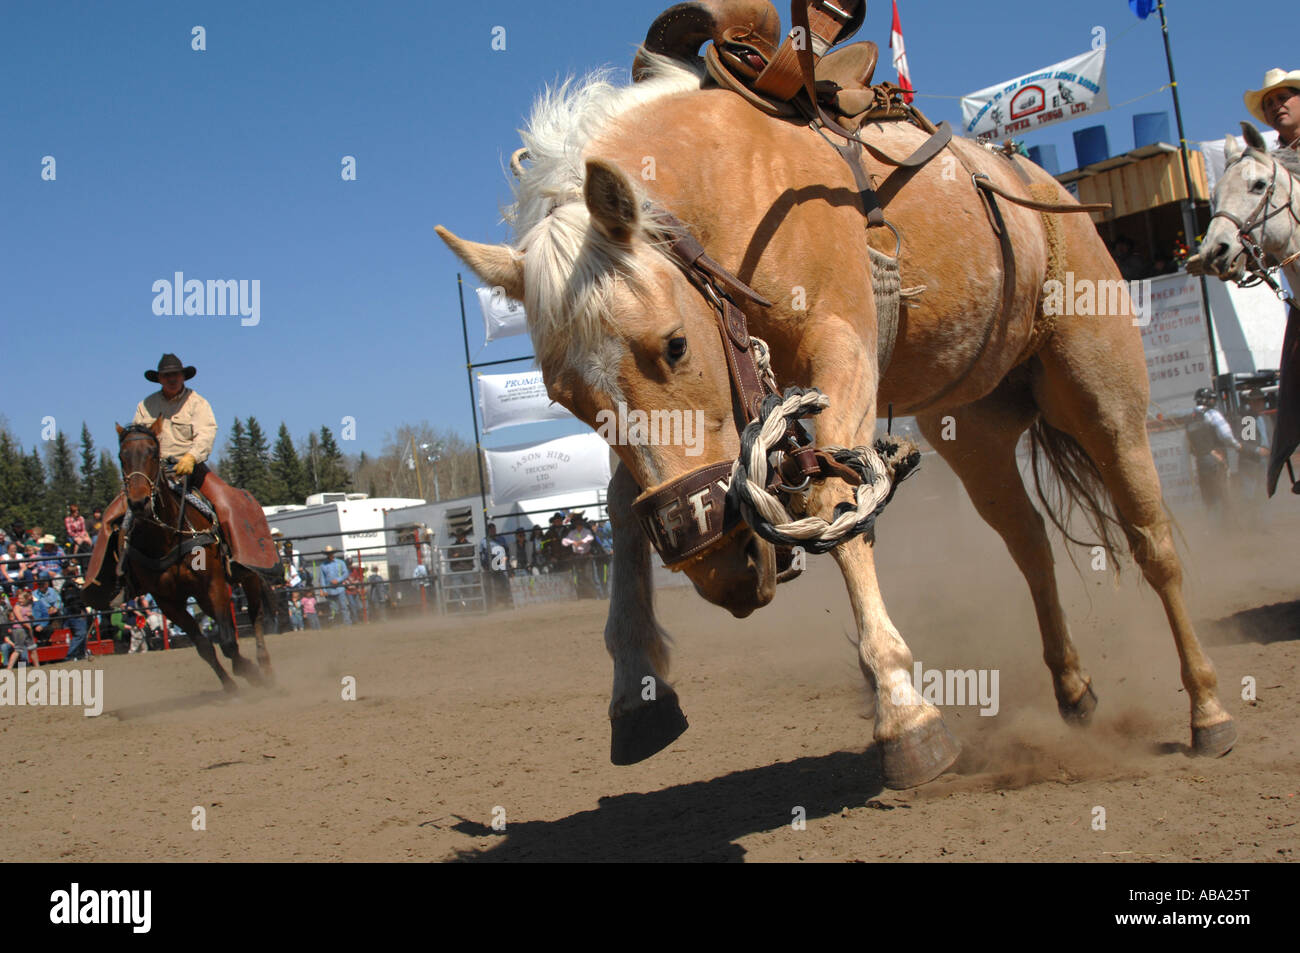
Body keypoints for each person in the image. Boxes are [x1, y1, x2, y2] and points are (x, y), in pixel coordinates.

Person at [82, 353, 283, 608]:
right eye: (166, 376)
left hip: (191, 468)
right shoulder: (146, 406)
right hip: (152, 473)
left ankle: (241, 560)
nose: (172, 379)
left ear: (182, 376)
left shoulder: (196, 403)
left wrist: (191, 456)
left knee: (227, 503)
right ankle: (113, 580)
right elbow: (137, 440)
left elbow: (206, 433)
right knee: (112, 517)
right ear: (160, 379)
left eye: (175, 375)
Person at [1186, 387, 1265, 520]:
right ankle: (1232, 527)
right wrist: (1252, 450)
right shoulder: (1248, 419)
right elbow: (1231, 438)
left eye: (1261, 401)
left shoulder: (1191, 418)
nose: (1259, 404)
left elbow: (1189, 446)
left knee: (1211, 498)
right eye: (1256, 401)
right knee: (1226, 495)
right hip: (1226, 461)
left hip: (1202, 462)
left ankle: (1218, 527)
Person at [1244, 68, 1300, 152]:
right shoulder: (1269, 162)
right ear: (1266, 116)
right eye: (1269, 104)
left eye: (1282, 98)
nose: (1276, 106)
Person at [3, 591, 39, 669]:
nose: (20, 600)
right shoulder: (17, 607)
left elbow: (32, 618)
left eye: (22, 599)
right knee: (18, 649)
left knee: (32, 648)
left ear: (26, 599)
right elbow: (21, 620)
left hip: (27, 628)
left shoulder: (29, 606)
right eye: (19, 598)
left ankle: (37, 667)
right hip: (19, 629)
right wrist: (29, 628)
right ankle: (9, 668)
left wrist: (31, 616)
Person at [318, 545, 352, 625]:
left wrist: (338, 580)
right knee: (334, 609)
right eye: (328, 553)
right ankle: (337, 623)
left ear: (333, 553)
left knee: (343, 607)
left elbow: (345, 573)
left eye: (331, 553)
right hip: (330, 590)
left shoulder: (341, 563)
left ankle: (347, 623)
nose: (329, 554)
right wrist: (324, 590)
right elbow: (322, 578)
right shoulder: (323, 565)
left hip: (340, 588)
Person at [62, 572, 91, 661]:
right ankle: (70, 655)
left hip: (72, 612)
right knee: (80, 634)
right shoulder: (71, 589)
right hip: (76, 613)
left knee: (81, 633)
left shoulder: (66, 588)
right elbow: (72, 600)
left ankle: (80, 653)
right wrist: (79, 610)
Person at [30, 573, 64, 645]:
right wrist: (46, 610)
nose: (40, 586)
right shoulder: (34, 594)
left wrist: (55, 608)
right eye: (39, 584)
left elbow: (58, 601)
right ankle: (45, 638)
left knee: (58, 615)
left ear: (47, 584)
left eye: (42, 584)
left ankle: (57, 637)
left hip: (54, 613)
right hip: (42, 614)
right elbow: (37, 606)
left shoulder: (53, 591)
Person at [64, 503, 93, 571]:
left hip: (81, 534)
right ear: (72, 512)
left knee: (88, 540)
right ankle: (74, 556)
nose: (77, 512)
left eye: (77, 511)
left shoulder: (81, 518)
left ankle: (91, 554)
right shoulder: (68, 519)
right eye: (75, 511)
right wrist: (78, 536)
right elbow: (69, 531)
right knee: (79, 541)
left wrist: (83, 535)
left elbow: (83, 529)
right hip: (73, 536)